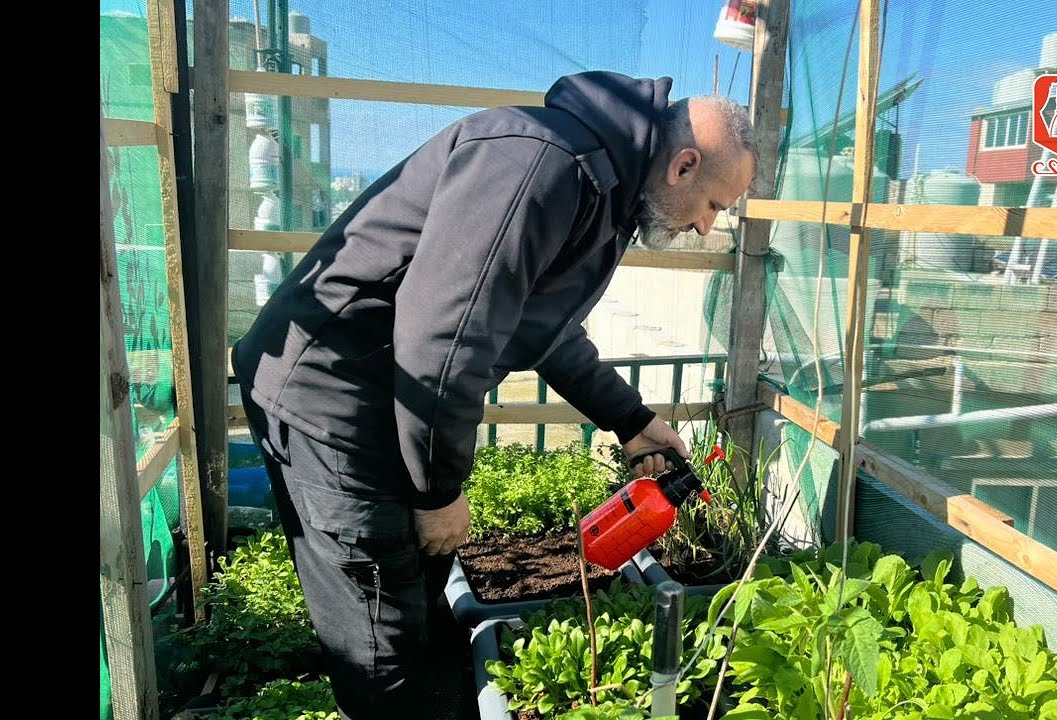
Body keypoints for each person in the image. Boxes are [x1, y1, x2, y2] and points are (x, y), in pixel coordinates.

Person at [231, 70, 757, 718]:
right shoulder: (545, 164)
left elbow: (547, 331)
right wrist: (438, 491)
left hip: (387, 391)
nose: (708, 227)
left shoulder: (602, 193)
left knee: (424, 601)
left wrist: (631, 419)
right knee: (381, 634)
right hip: (329, 392)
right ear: (683, 165)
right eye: (716, 205)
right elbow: (444, 337)